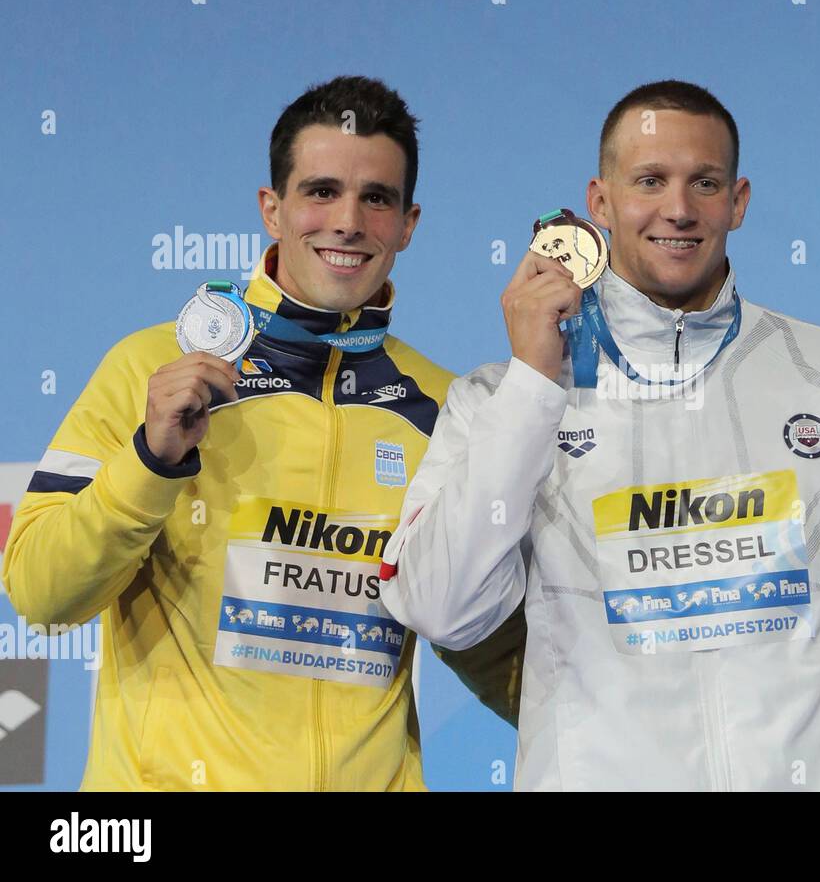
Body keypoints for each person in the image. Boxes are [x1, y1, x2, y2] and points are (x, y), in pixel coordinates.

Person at [377, 80, 820, 790]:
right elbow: (442, 607)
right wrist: (535, 387)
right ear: (600, 203)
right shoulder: (500, 401)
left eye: (705, 183)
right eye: (650, 181)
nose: (679, 209)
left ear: (739, 200)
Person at [2, 75, 520, 791]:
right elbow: (40, 592)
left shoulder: (443, 405)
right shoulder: (151, 368)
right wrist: (151, 460)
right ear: (271, 210)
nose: (348, 221)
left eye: (377, 198)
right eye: (321, 191)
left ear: (409, 223)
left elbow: (485, 643)